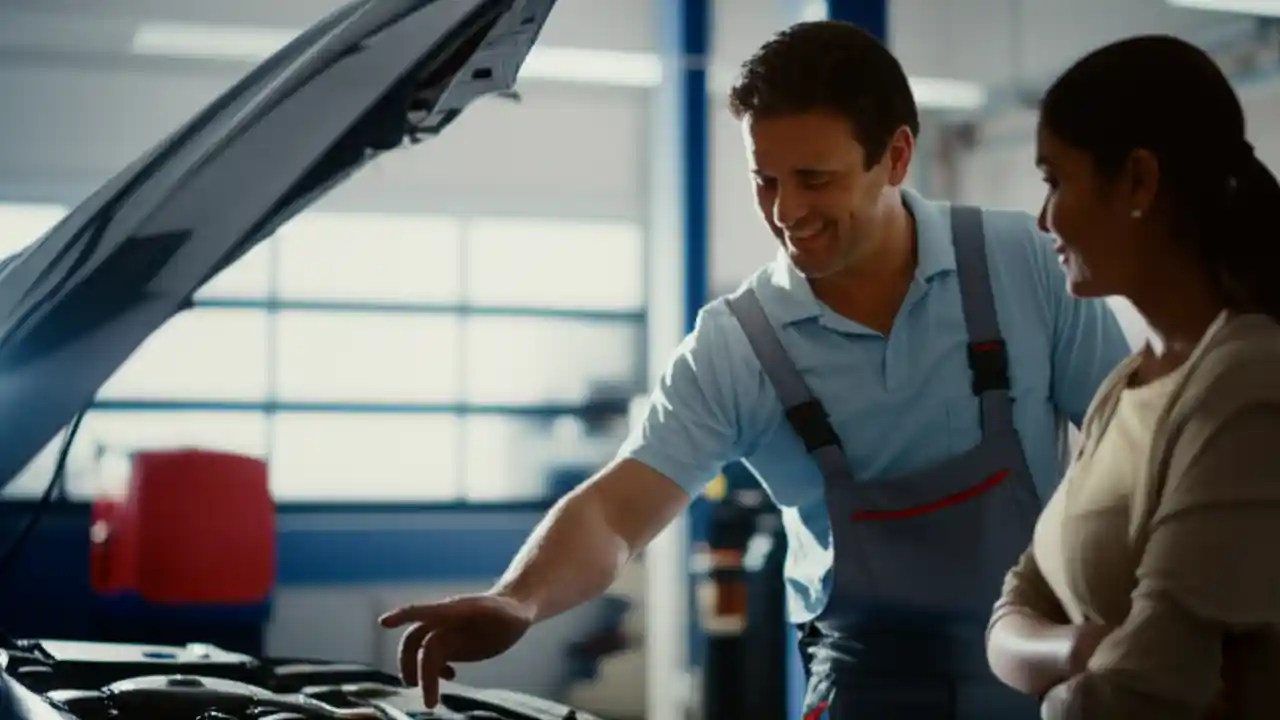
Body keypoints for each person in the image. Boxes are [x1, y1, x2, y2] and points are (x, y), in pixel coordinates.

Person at [379, 20, 1130, 718]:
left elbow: (1136, 456)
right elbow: (617, 508)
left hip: (1048, 673)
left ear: (896, 156)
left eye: (815, 178)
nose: (785, 210)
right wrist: (519, 600)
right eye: (764, 179)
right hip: (865, 690)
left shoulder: (1025, 267)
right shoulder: (739, 344)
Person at [985, 34, 1280, 719]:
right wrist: (1081, 651)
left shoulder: (1248, 384)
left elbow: (1145, 685)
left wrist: (1072, 680)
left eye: (1055, 181)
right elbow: (1012, 609)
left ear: (1140, 181)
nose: (1043, 219)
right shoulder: (1123, 388)